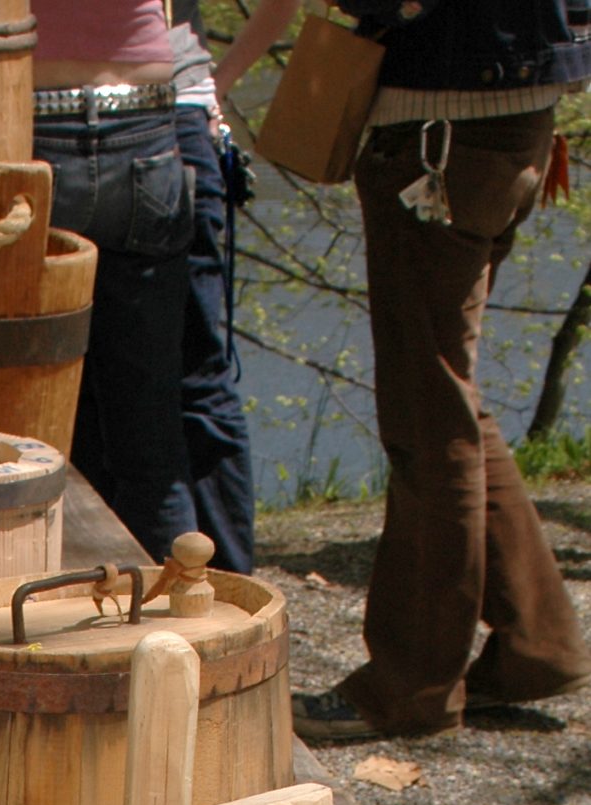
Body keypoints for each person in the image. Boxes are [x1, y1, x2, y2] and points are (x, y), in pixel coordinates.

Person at [220, 0, 591, 741]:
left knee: (427, 414)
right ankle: (537, 648)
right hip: (513, 119)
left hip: (438, 132)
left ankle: (409, 687)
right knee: (443, 390)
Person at [31, 1, 199, 562]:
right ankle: (185, 624)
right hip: (146, 125)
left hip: (37, 121)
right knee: (151, 431)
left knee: (35, 420)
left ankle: (55, 615)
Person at [171, 1, 256, 570]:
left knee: (195, 381)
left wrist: (210, 86)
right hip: (181, 119)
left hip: (176, 119)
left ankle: (229, 595)